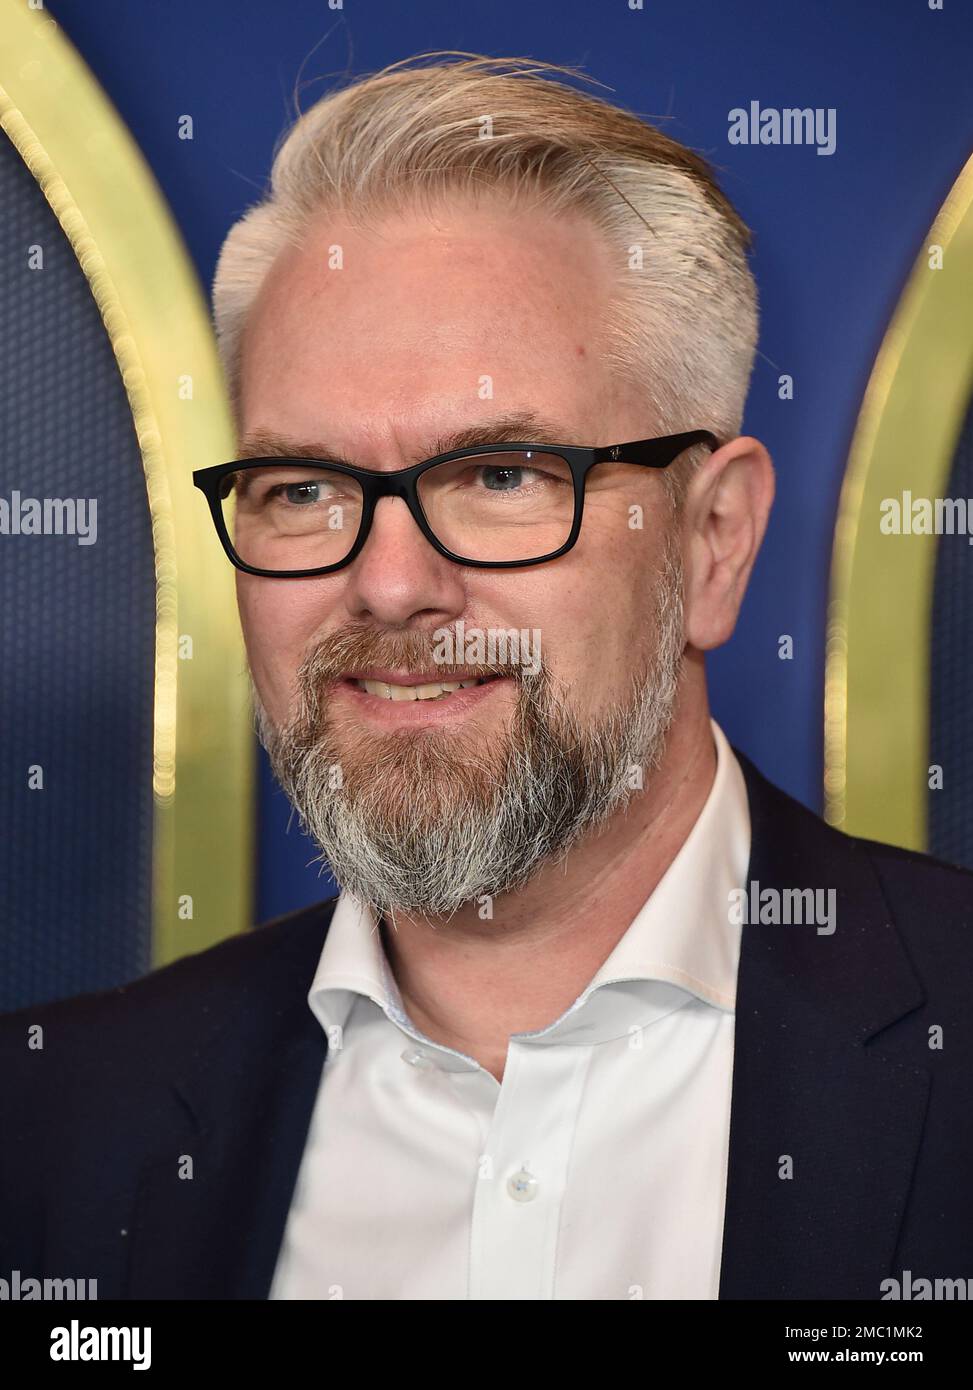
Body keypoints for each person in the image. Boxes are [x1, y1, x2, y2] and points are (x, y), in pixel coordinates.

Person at [2, 53, 971, 1302]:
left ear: (711, 540)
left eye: (502, 476)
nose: (392, 584)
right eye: (303, 489)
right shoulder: (49, 1133)